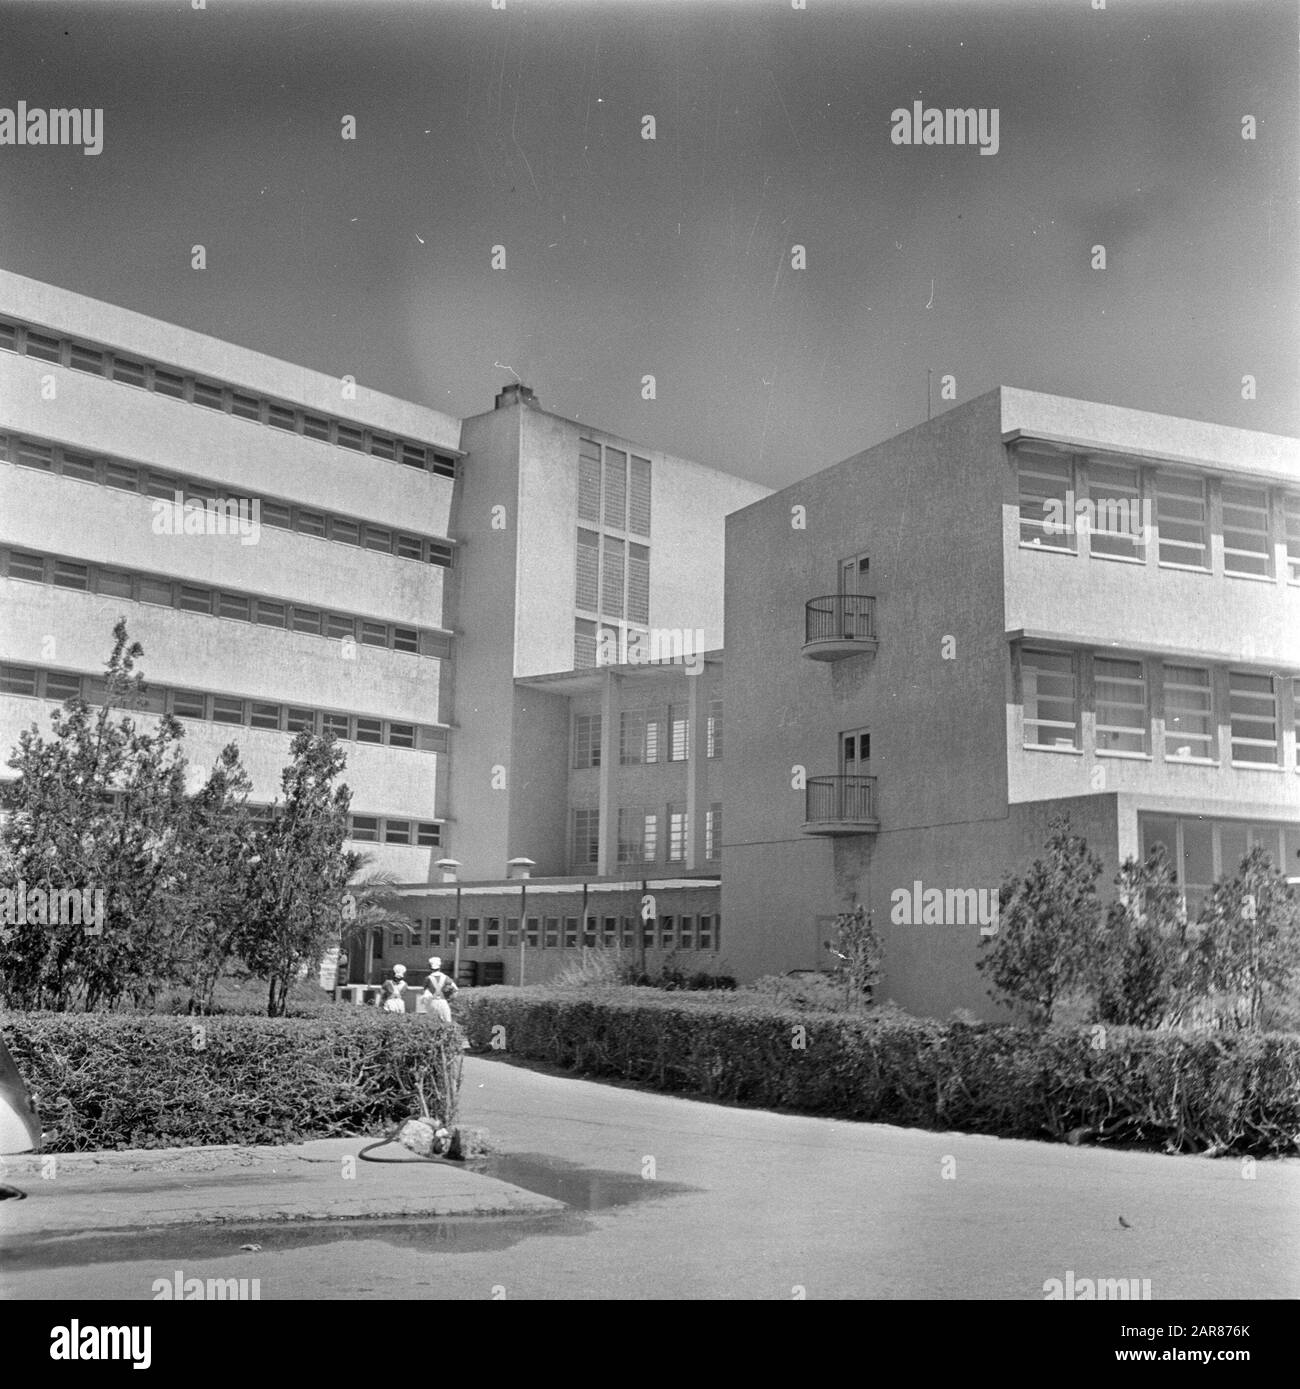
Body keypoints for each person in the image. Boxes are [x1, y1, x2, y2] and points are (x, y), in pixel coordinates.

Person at [420, 956, 458, 1023]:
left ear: (430, 967)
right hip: (443, 1002)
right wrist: (450, 999)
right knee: (447, 1022)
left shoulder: (428, 978)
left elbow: (425, 992)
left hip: (432, 1003)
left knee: (432, 1023)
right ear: (440, 967)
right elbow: (456, 990)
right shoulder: (446, 978)